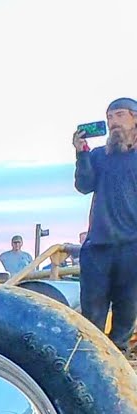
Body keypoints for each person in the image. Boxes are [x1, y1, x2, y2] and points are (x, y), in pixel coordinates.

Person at [74, 97, 137, 351]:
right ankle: (91, 365)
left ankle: (117, 366)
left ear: (135, 118)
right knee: (92, 317)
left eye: (120, 115)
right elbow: (84, 185)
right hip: (99, 246)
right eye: (110, 117)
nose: (113, 122)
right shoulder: (100, 155)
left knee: (126, 313)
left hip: (133, 246)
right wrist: (81, 153)